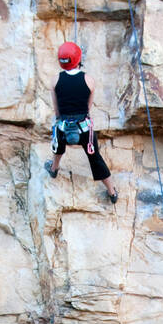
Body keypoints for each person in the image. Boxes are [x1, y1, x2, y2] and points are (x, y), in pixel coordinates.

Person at [47, 41, 118, 203]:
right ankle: (112, 192)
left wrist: (62, 117)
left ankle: (53, 169)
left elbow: (56, 109)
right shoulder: (89, 80)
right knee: (95, 157)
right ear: (78, 59)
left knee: (58, 146)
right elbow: (87, 107)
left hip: (64, 124)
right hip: (83, 126)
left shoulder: (55, 80)